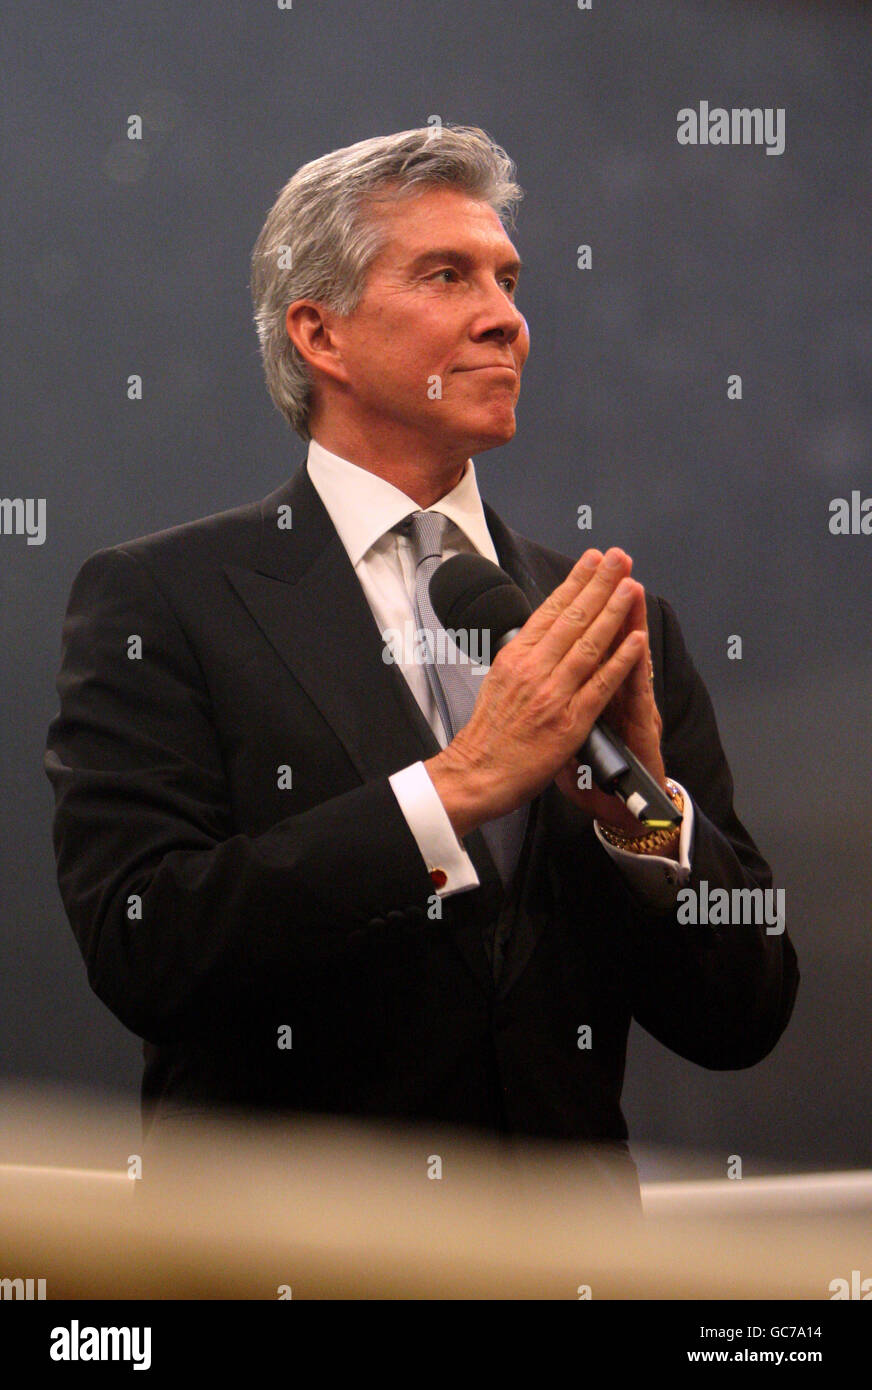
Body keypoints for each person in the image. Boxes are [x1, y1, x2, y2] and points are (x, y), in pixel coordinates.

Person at [45, 127, 798, 1193]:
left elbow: (743, 1015)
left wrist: (649, 827)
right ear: (321, 334)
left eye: (506, 278)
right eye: (446, 276)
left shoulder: (607, 624)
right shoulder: (163, 600)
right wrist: (447, 794)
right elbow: (146, 948)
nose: (505, 317)